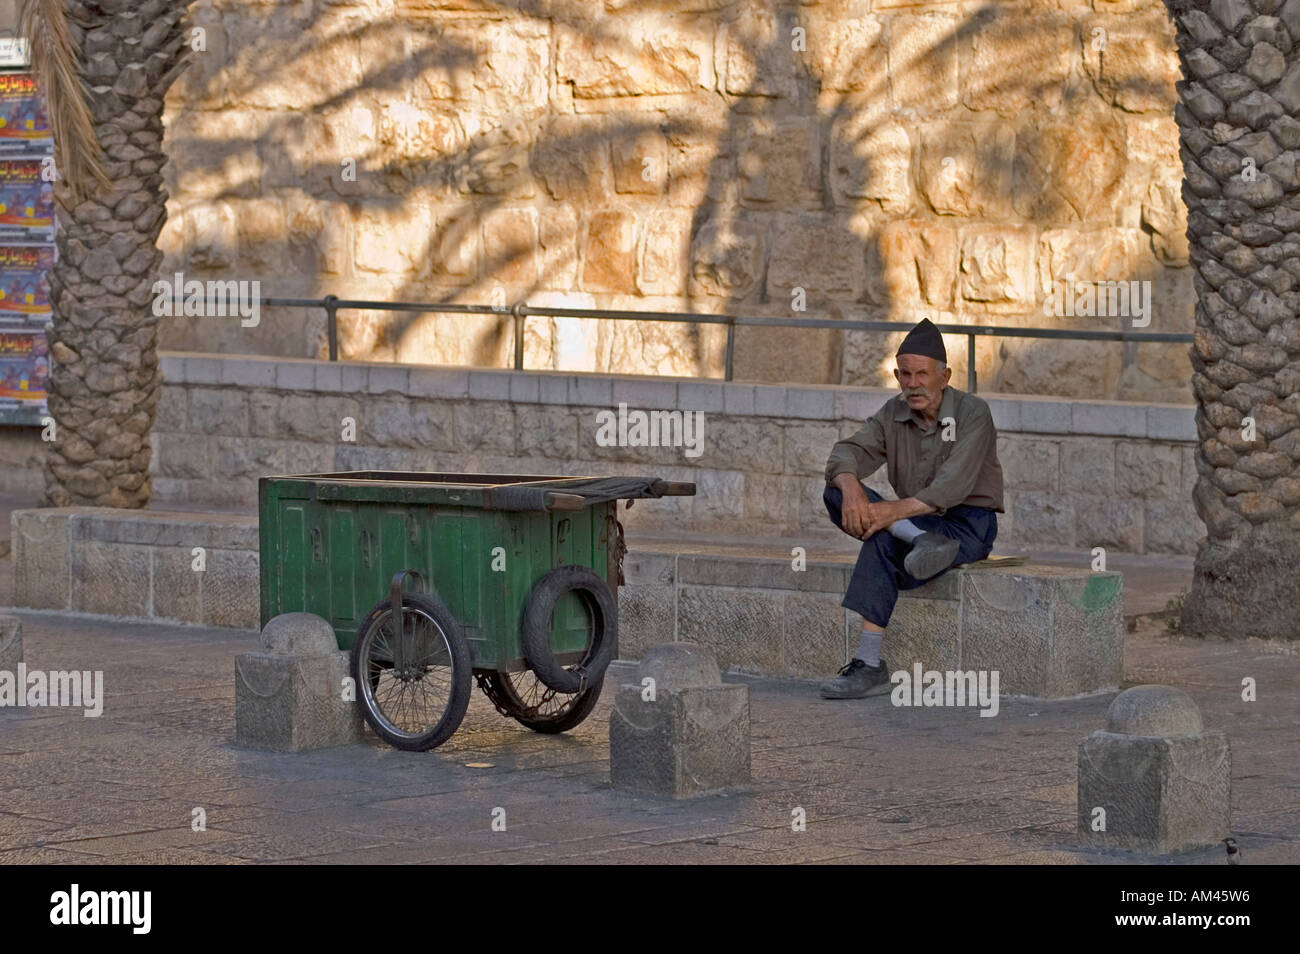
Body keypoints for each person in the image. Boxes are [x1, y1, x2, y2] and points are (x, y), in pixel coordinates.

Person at [819, 318, 1004, 699]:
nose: (913, 383)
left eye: (922, 374)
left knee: (882, 541)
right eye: (905, 374)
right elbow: (847, 452)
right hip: (916, 521)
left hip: (966, 525)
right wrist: (851, 486)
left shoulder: (973, 412)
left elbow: (951, 486)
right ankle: (917, 539)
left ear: (944, 376)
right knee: (835, 492)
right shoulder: (894, 412)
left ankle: (869, 664)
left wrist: (889, 514)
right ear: (897, 376)